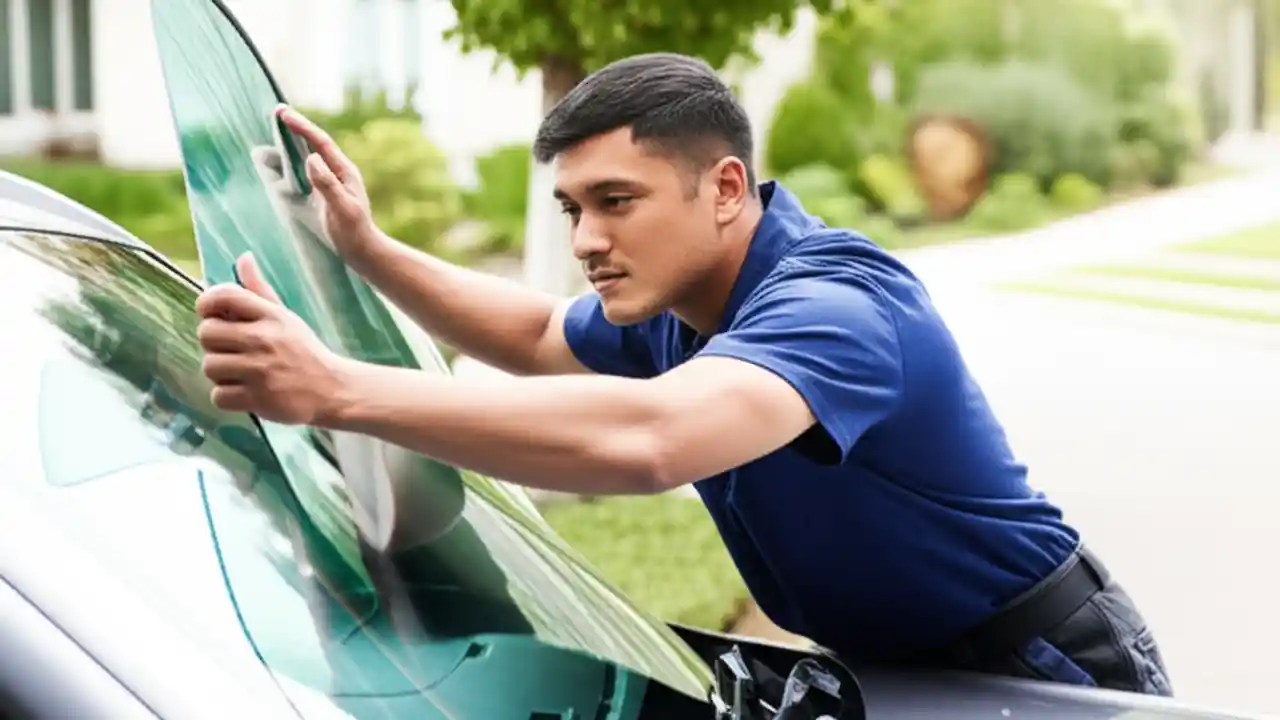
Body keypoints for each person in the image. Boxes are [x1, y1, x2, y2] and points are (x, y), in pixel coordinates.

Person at [193, 52, 1172, 696]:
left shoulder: (838, 306)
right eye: (572, 207)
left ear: (726, 188)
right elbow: (535, 334)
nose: (585, 238)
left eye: (615, 200)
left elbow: (650, 439)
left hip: (1037, 670)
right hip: (891, 673)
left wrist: (335, 392)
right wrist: (365, 248)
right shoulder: (678, 305)